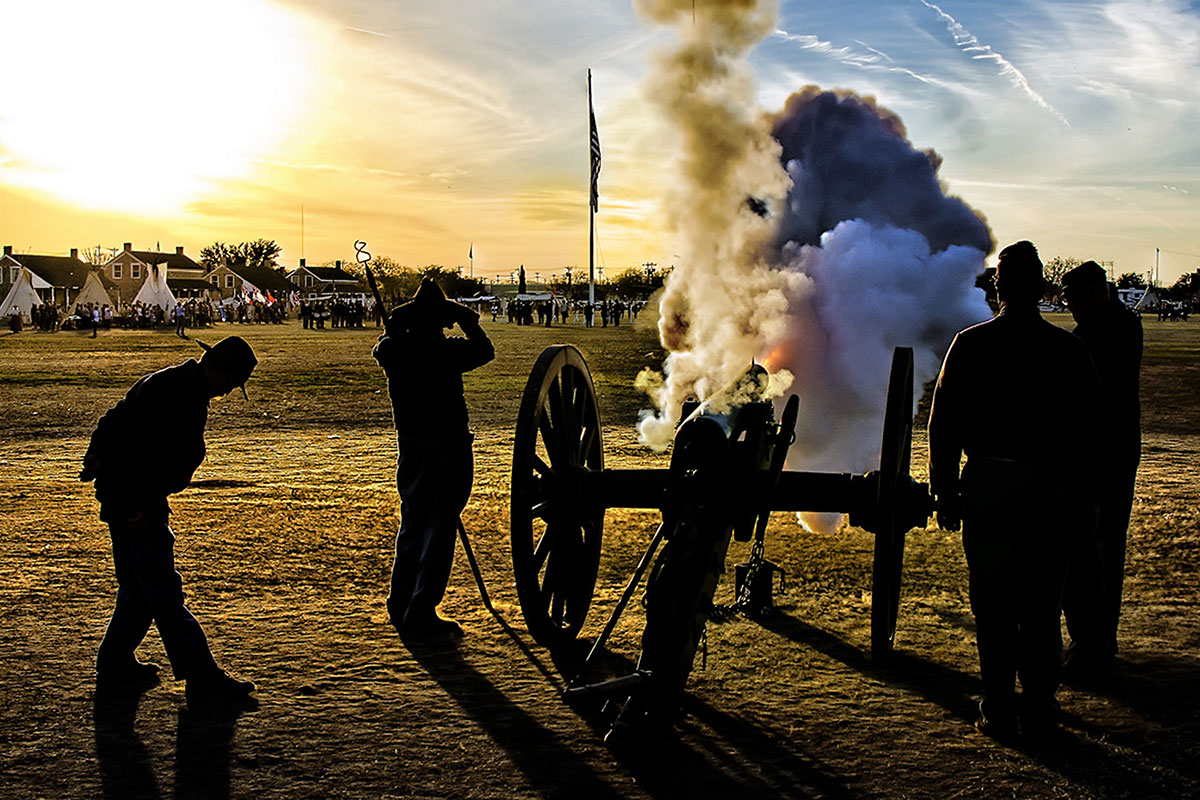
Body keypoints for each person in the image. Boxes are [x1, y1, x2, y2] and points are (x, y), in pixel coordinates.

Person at [929, 241, 1101, 743]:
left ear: (998, 287)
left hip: (989, 484)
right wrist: (1087, 498)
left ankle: (1000, 704)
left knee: (994, 602)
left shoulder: (971, 344)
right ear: (1042, 286)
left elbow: (944, 426)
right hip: (1052, 488)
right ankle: (1041, 702)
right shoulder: (1067, 349)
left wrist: (945, 490)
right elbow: (1091, 431)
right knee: (1043, 601)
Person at [80, 336, 259, 701]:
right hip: (136, 503)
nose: (226, 394)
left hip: (125, 498)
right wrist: (139, 507)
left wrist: (96, 459)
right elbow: (145, 456)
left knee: (137, 590)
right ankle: (202, 677)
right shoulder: (185, 395)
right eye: (231, 383)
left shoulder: (167, 381)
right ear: (223, 373)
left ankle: (115, 660)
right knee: (164, 593)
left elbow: (112, 422)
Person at [373, 278, 494, 640]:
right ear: (442, 321)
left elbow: (382, 347)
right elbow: (485, 350)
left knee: (412, 523)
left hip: (411, 444)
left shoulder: (394, 352)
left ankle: (401, 601)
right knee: (440, 527)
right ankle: (422, 612)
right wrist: (466, 318)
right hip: (448, 445)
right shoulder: (447, 351)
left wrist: (395, 329)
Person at [1060, 261, 1143, 683]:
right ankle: (1095, 638)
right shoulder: (1114, 326)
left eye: (1073, 297)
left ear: (1097, 292)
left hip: (1105, 454)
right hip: (1111, 450)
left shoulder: (1105, 332)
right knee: (1098, 546)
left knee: (1097, 546)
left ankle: (1094, 642)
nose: (1068, 305)